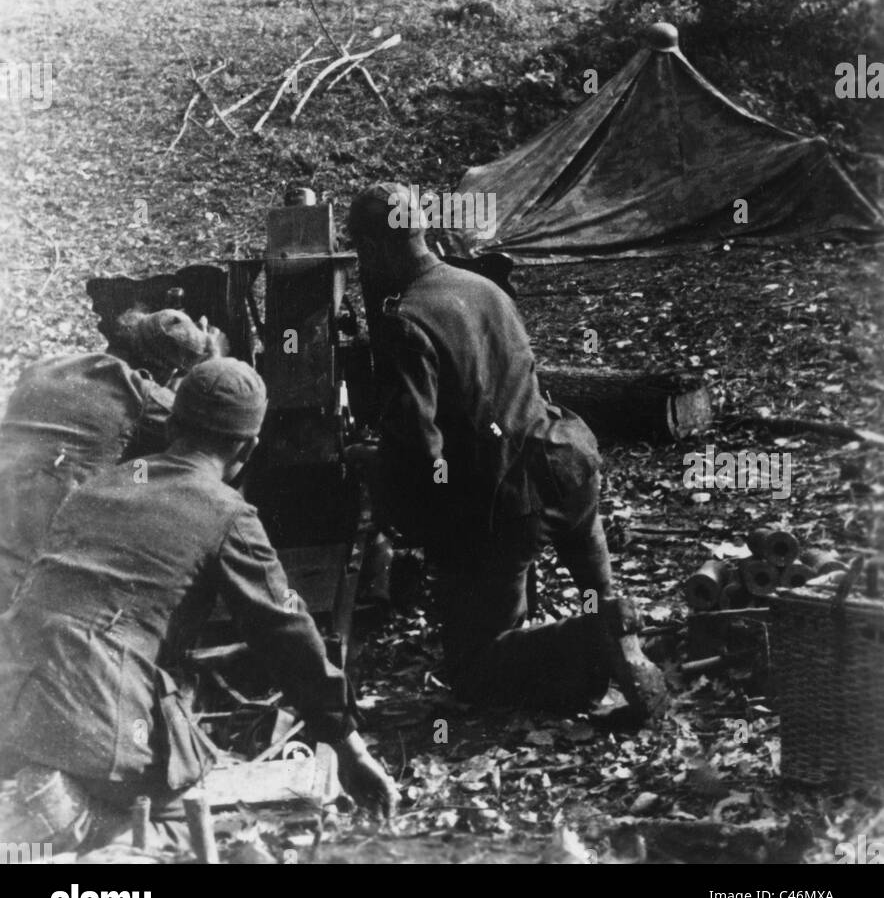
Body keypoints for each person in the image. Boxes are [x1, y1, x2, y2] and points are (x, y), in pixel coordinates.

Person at [0, 358, 397, 854]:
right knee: (185, 824)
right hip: (95, 724)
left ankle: (55, 806)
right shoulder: (228, 513)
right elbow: (287, 635)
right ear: (248, 448)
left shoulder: (104, 482)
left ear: (173, 423)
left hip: (12, 702)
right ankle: (73, 823)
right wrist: (348, 746)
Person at [347, 182, 666, 720]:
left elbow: (422, 454)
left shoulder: (405, 319)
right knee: (596, 591)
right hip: (570, 464)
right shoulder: (485, 286)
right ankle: (611, 624)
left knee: (475, 668)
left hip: (510, 502)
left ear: (372, 249)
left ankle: (592, 642)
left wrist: (374, 471)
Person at [0, 308, 220, 611]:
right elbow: (210, 421)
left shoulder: (46, 364)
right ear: (165, 372)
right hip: (38, 561)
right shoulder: (138, 391)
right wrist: (215, 361)